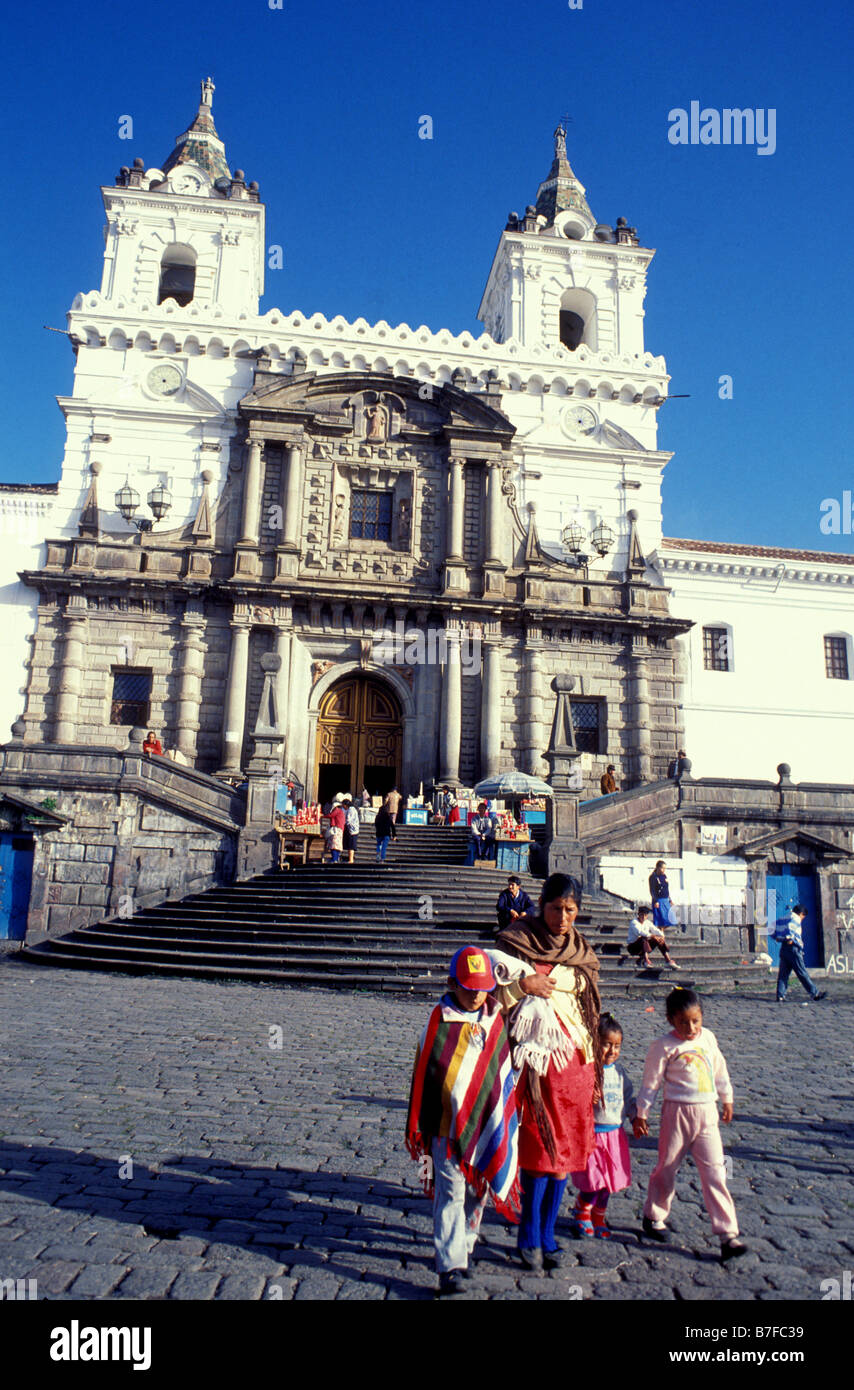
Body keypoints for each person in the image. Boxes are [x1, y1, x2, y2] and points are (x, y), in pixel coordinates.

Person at [495, 873, 601, 1271]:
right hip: (536, 1068)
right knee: (539, 1150)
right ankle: (528, 1235)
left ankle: (549, 1233)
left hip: (577, 1066)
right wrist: (524, 987)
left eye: (570, 910)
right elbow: (491, 996)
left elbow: (589, 1006)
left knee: (565, 1156)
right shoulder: (515, 941)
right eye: (555, 908)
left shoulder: (581, 950)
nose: (562, 918)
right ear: (542, 905)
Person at [406, 945, 521, 1296]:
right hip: (445, 1128)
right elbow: (430, 1070)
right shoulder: (439, 1020)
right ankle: (450, 1264)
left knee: (478, 1190)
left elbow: (499, 1072)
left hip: (486, 1124)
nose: (475, 996)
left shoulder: (495, 1019)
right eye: (468, 988)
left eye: (482, 988)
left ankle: (466, 1243)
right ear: (452, 983)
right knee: (450, 1192)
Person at [633, 987, 747, 1264]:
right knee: (666, 1168)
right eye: (683, 1022)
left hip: (707, 1114)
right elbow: (651, 1083)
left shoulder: (708, 1039)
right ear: (671, 1020)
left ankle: (727, 1234)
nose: (691, 1027)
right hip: (676, 1114)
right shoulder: (663, 1046)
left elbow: (719, 1070)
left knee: (715, 1173)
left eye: (696, 1020)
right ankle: (654, 1216)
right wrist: (642, 1113)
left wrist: (727, 1098)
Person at [568, 1012, 637, 1239]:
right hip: (594, 1136)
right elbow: (574, 1100)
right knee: (593, 1181)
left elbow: (628, 1099)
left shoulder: (619, 1073)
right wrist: (588, 1097)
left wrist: (636, 1118)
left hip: (615, 1137)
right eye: (607, 1045)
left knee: (608, 1182)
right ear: (596, 1044)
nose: (612, 1051)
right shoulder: (588, 1071)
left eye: (617, 1046)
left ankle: (599, 1215)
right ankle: (582, 1211)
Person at [774, 905, 827, 1003]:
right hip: (793, 948)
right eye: (803, 917)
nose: (802, 919)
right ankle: (814, 993)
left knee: (783, 974)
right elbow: (792, 930)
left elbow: (774, 929)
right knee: (802, 972)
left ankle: (780, 996)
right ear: (801, 914)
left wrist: (779, 938)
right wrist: (789, 938)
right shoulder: (795, 918)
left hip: (784, 949)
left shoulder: (784, 917)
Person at [627, 905, 679, 970]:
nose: (643, 917)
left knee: (659, 939)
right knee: (644, 937)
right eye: (641, 915)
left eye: (645, 915)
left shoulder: (647, 922)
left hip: (644, 946)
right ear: (638, 914)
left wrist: (661, 936)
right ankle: (646, 961)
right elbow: (640, 932)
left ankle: (668, 961)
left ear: (647, 916)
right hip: (633, 947)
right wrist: (653, 936)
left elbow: (655, 930)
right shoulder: (634, 922)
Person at [649, 860, 676, 929]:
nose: (664, 870)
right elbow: (652, 890)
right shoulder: (653, 877)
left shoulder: (664, 876)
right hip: (658, 901)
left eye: (665, 868)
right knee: (660, 921)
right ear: (658, 867)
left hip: (665, 900)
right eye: (662, 868)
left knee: (671, 920)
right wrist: (655, 901)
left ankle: (660, 932)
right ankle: (659, 934)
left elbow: (666, 889)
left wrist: (670, 900)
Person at [343, 799, 360, 865]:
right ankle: (350, 858)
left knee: (351, 845)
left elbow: (348, 820)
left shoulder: (351, 810)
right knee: (350, 845)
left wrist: (344, 823)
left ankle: (351, 859)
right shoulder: (352, 809)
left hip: (352, 829)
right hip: (353, 829)